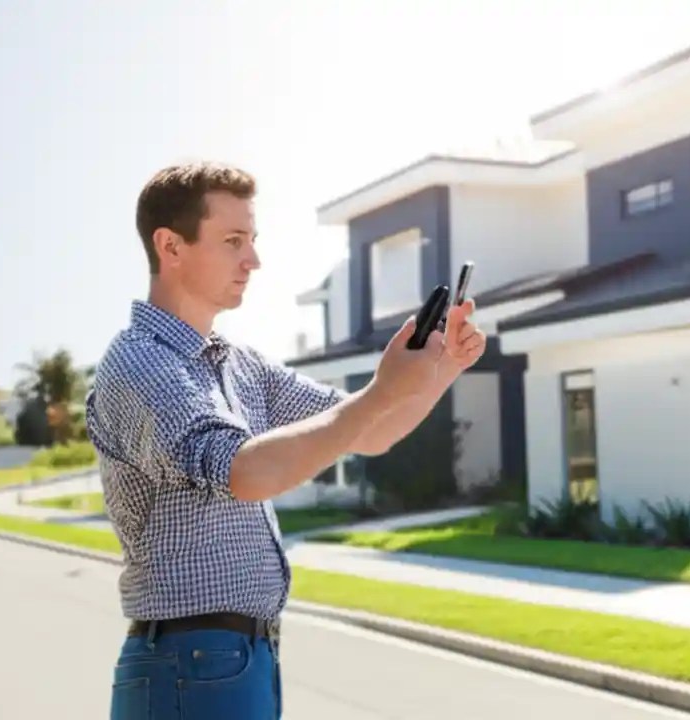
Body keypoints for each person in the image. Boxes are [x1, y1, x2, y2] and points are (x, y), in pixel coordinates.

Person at [85, 161, 486, 720]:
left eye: (251, 240)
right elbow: (247, 472)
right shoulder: (141, 362)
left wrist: (438, 370)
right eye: (232, 241)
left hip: (241, 658)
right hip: (189, 661)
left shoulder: (240, 364)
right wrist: (381, 389)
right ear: (170, 246)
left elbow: (369, 433)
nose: (253, 260)